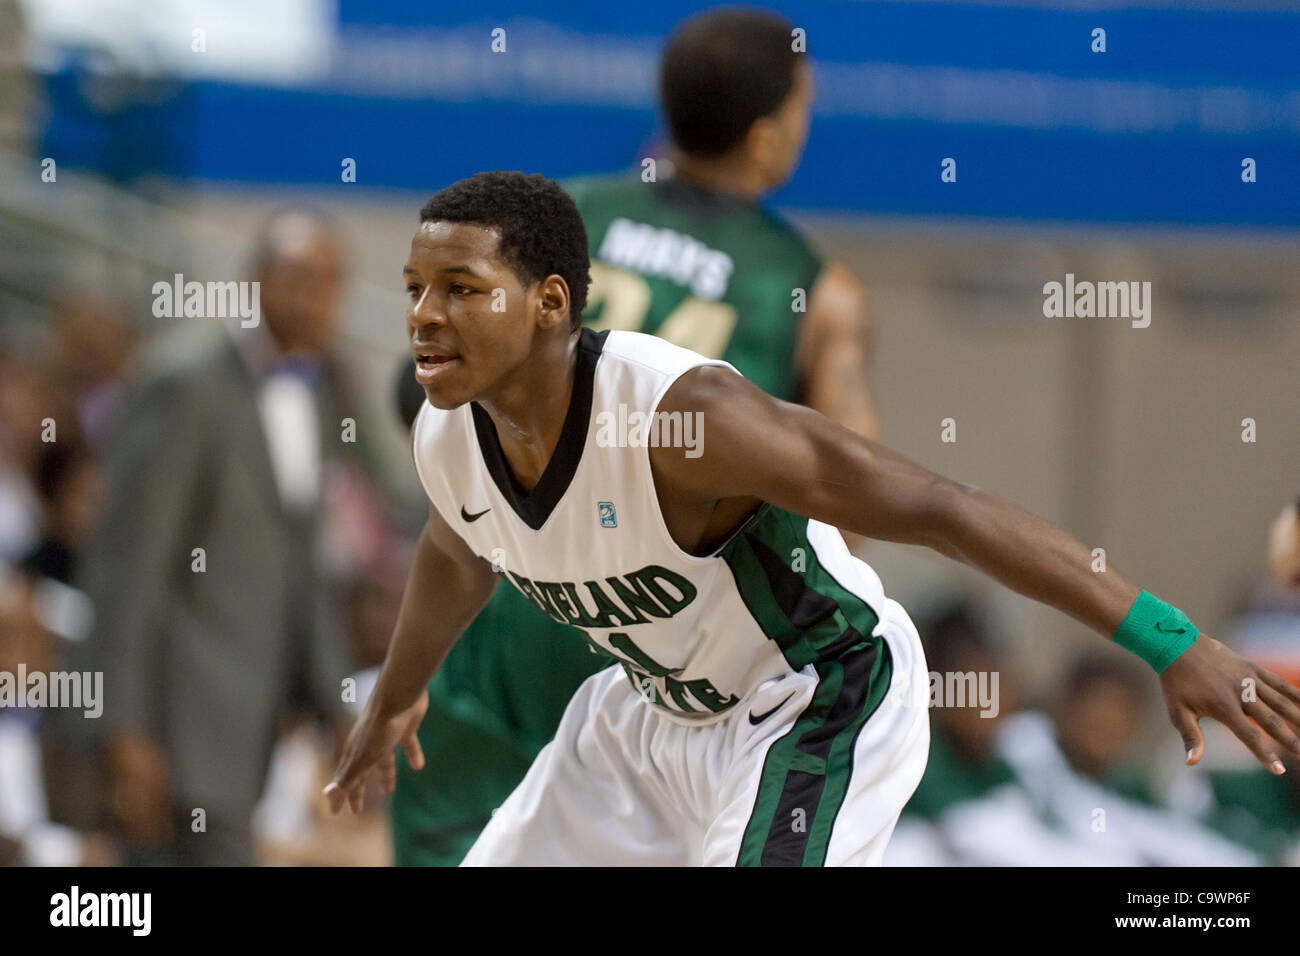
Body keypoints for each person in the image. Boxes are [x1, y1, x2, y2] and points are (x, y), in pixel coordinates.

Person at [326, 170, 1300, 866]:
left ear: (548, 303)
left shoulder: (686, 419)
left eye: (461, 290)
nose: (424, 315)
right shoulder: (447, 432)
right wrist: (397, 695)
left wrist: (1169, 640)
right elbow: (457, 552)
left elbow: (945, 508)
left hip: (817, 696)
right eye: (415, 289)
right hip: (647, 713)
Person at [390, 6, 880, 866]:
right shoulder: (817, 291)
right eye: (804, 106)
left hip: (512, 613)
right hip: (657, 636)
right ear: (765, 137)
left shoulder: (565, 215)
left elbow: (419, 390)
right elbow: (849, 506)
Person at [79, 210, 358, 865]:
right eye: (297, 280)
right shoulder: (184, 381)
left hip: (250, 733)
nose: (312, 301)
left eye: (327, 285)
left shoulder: (317, 395)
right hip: (170, 731)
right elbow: (130, 564)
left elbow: (304, 568)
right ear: (255, 280)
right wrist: (123, 729)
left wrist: (339, 702)